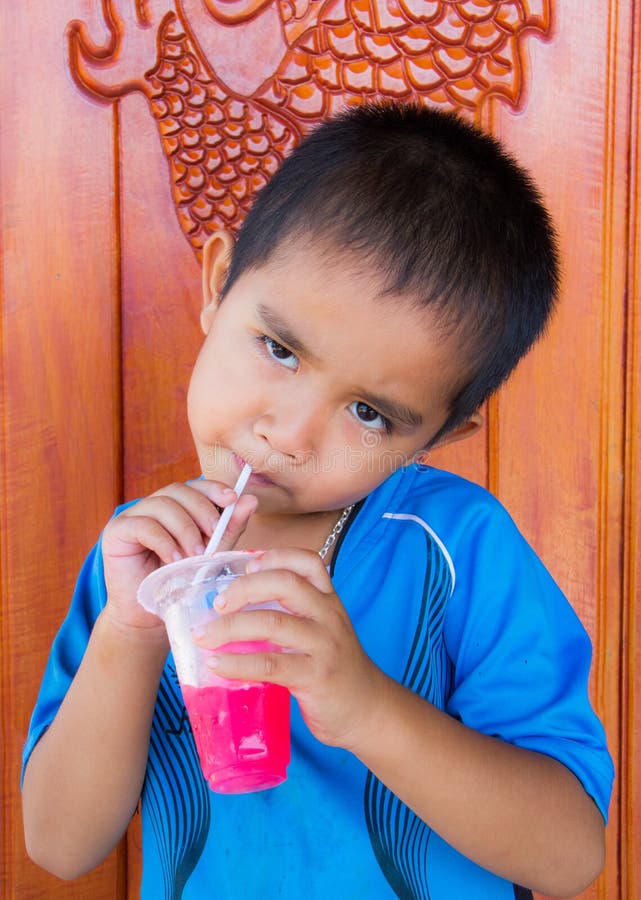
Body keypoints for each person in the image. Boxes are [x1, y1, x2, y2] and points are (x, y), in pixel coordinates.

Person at [22, 102, 613, 899]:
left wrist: (364, 706)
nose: (288, 435)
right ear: (217, 284)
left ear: (439, 435)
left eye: (368, 413)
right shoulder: (142, 559)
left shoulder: (455, 549)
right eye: (279, 349)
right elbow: (60, 845)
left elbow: (569, 857)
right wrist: (130, 634)